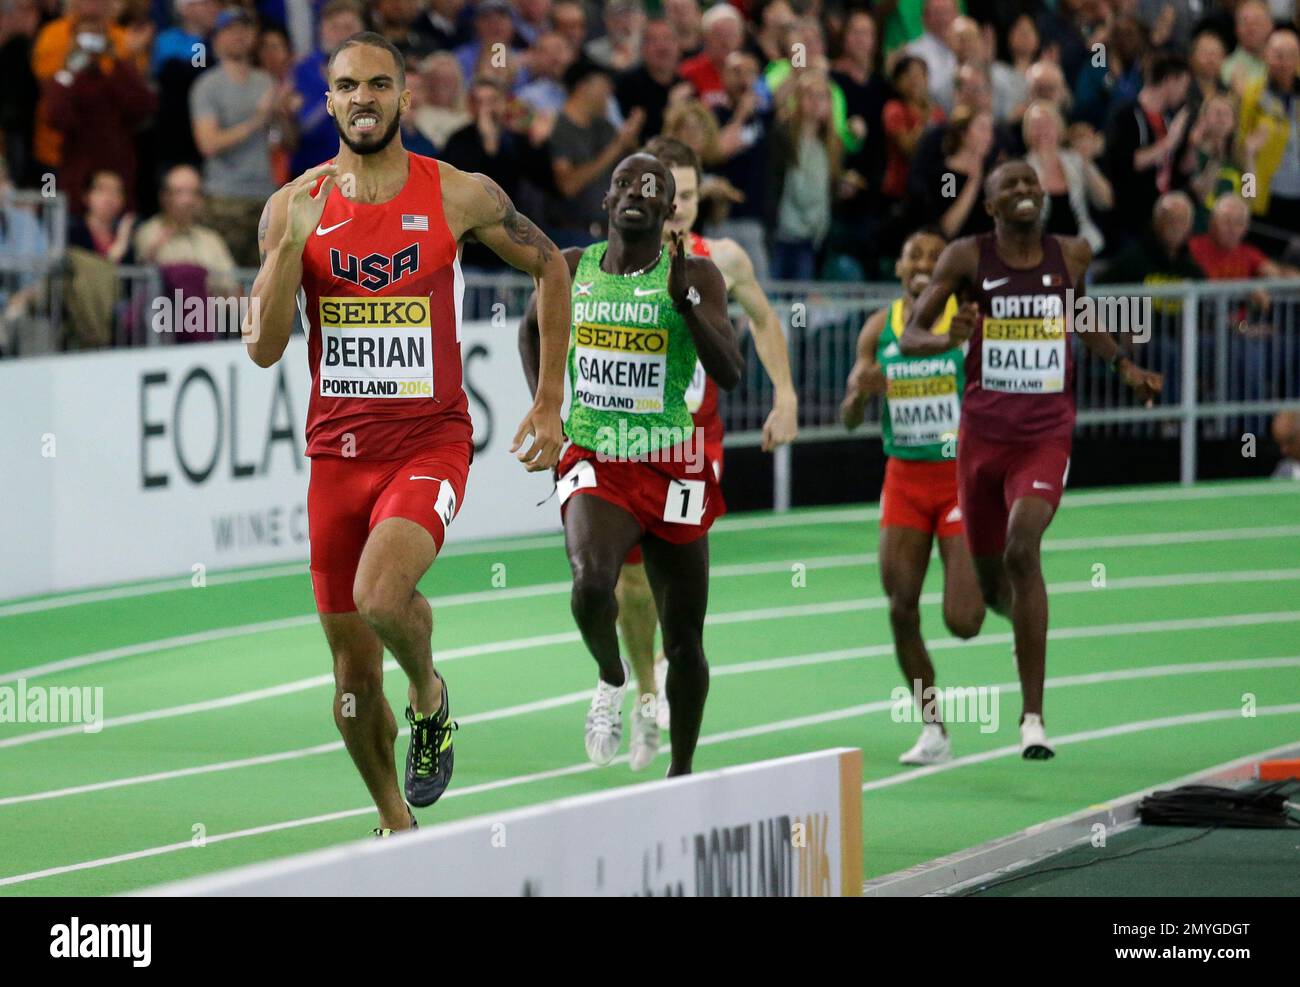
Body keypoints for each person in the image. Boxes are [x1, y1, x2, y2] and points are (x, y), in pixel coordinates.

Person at [241, 31, 570, 836]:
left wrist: (550, 396)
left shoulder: (457, 193)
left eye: (379, 84)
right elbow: (263, 345)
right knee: (352, 684)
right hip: (335, 459)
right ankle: (396, 824)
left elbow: (552, 267)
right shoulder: (292, 207)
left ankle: (428, 689)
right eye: (348, 85)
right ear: (328, 100)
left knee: (380, 592)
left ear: (403, 97)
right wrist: (290, 248)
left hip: (428, 444)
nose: (364, 98)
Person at [901, 159, 1163, 758]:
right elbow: (913, 334)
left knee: (1025, 546)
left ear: (1044, 196)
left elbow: (1082, 315)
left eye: (1030, 183)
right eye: (1008, 187)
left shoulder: (1070, 254)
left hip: (1046, 433)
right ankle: (1020, 620)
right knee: (995, 583)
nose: (1023, 191)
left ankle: (1033, 718)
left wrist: (1123, 365)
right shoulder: (965, 259)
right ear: (989, 206)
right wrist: (949, 337)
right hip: (982, 442)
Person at [517, 151, 744, 776]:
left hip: (672, 460)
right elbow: (530, 328)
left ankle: (682, 771)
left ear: (670, 208)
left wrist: (690, 305)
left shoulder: (697, 273)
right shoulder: (568, 268)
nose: (636, 193)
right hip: (596, 452)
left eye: (653, 187)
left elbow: (730, 371)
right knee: (592, 583)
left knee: (685, 642)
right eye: (623, 184)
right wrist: (547, 405)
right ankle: (611, 677)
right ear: (607, 201)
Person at [609, 135, 798, 769]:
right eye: (672, 195)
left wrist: (786, 395)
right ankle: (643, 689)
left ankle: (670, 670)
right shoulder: (621, 256)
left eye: (690, 195)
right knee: (627, 582)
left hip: (695, 441)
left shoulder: (722, 258)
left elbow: (765, 320)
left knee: (675, 585)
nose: (681, 206)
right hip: (627, 440)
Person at [841, 228, 984, 764]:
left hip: (958, 479)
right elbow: (850, 417)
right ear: (899, 267)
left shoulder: (966, 322)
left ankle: (1000, 579)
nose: (923, 263)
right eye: (913, 254)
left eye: (933, 256)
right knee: (901, 607)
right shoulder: (880, 327)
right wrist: (862, 393)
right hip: (904, 480)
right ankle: (933, 729)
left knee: (964, 622)